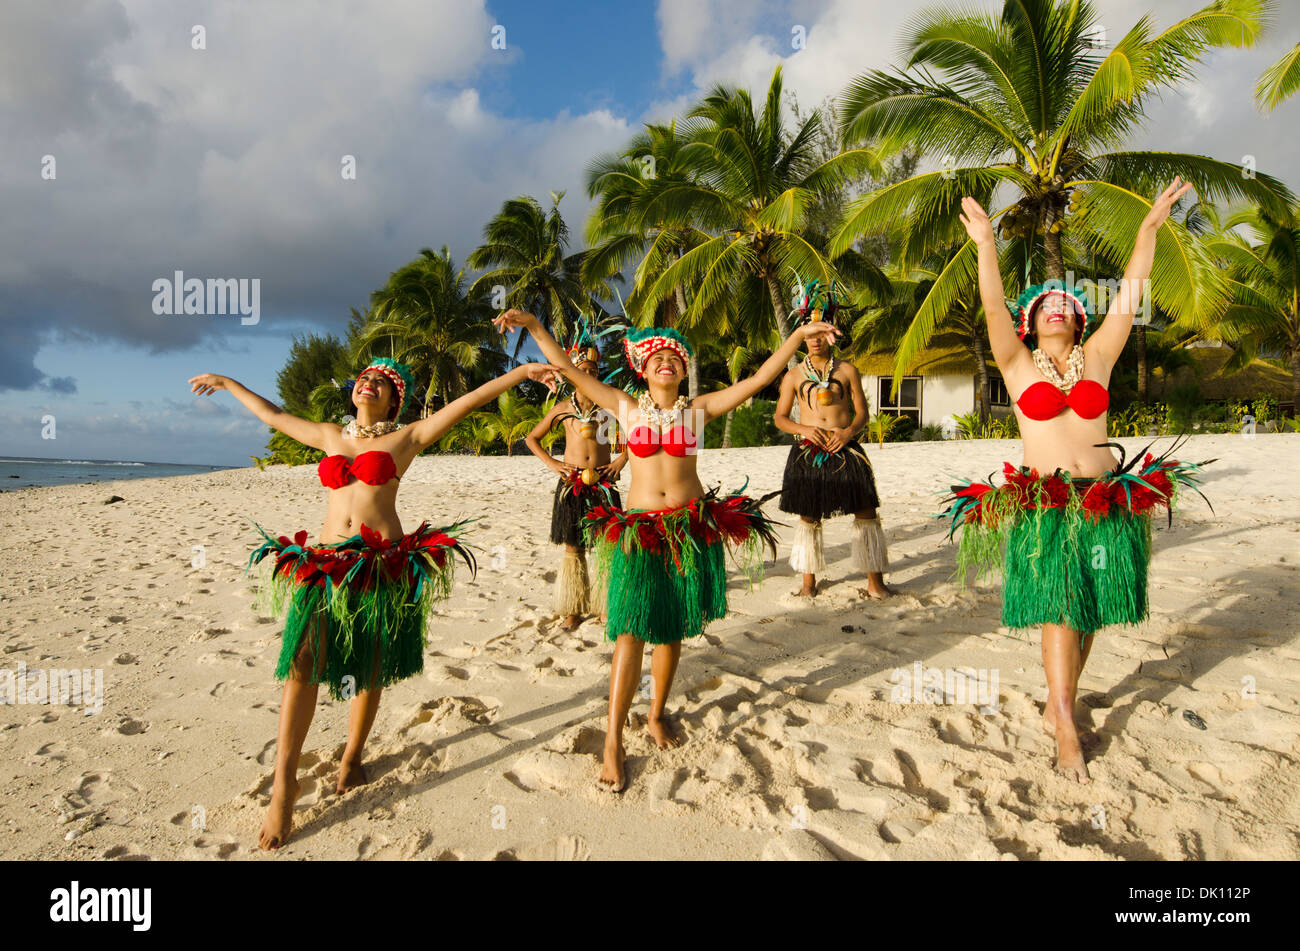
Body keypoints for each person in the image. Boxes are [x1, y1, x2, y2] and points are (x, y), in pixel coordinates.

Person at [188, 356, 558, 848]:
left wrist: (519, 374)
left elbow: (469, 403)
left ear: (393, 401)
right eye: (364, 379)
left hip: (379, 566)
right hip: (322, 566)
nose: (369, 384)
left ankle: (352, 755)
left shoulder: (405, 440)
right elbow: (273, 415)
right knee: (302, 667)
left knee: (369, 667)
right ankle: (283, 785)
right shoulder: (327, 436)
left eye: (381, 383)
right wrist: (229, 382)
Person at [493, 308, 836, 792]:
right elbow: (569, 370)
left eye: (674, 356)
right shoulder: (625, 408)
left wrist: (799, 334)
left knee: (671, 629)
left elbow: (762, 376)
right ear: (642, 368)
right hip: (638, 530)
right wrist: (532, 327)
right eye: (656, 358)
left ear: (683, 368)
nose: (666, 362)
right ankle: (613, 737)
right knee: (631, 631)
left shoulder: (698, 410)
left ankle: (655, 714)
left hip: (687, 529)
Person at [945, 179, 1210, 783]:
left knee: (1088, 613)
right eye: (1045, 304)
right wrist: (986, 244)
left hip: (1106, 504)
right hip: (1048, 505)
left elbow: (1131, 294)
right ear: (1030, 322)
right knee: (1061, 610)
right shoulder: (1014, 362)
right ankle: (1064, 721)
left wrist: (1149, 228)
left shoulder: (1099, 358)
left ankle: (1055, 703)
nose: (1058, 305)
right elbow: (991, 307)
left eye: (1066, 301)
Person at [773, 279, 890, 599]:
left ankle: (875, 584)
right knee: (809, 515)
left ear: (830, 332)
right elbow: (780, 417)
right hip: (808, 450)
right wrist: (804, 430)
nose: (814, 340)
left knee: (866, 511)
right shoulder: (794, 375)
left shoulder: (848, 370)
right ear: (802, 337)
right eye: (807, 334)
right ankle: (808, 585)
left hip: (845, 446)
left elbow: (862, 413)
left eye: (819, 333)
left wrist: (849, 432)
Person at [524, 326, 628, 631]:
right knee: (573, 546)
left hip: (604, 484)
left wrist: (621, 459)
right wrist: (552, 463)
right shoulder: (563, 409)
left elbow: (630, 439)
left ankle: (606, 604)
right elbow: (532, 438)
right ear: (571, 373)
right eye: (583, 369)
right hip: (571, 484)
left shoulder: (608, 408)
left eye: (594, 370)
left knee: (608, 544)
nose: (589, 374)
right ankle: (573, 608)